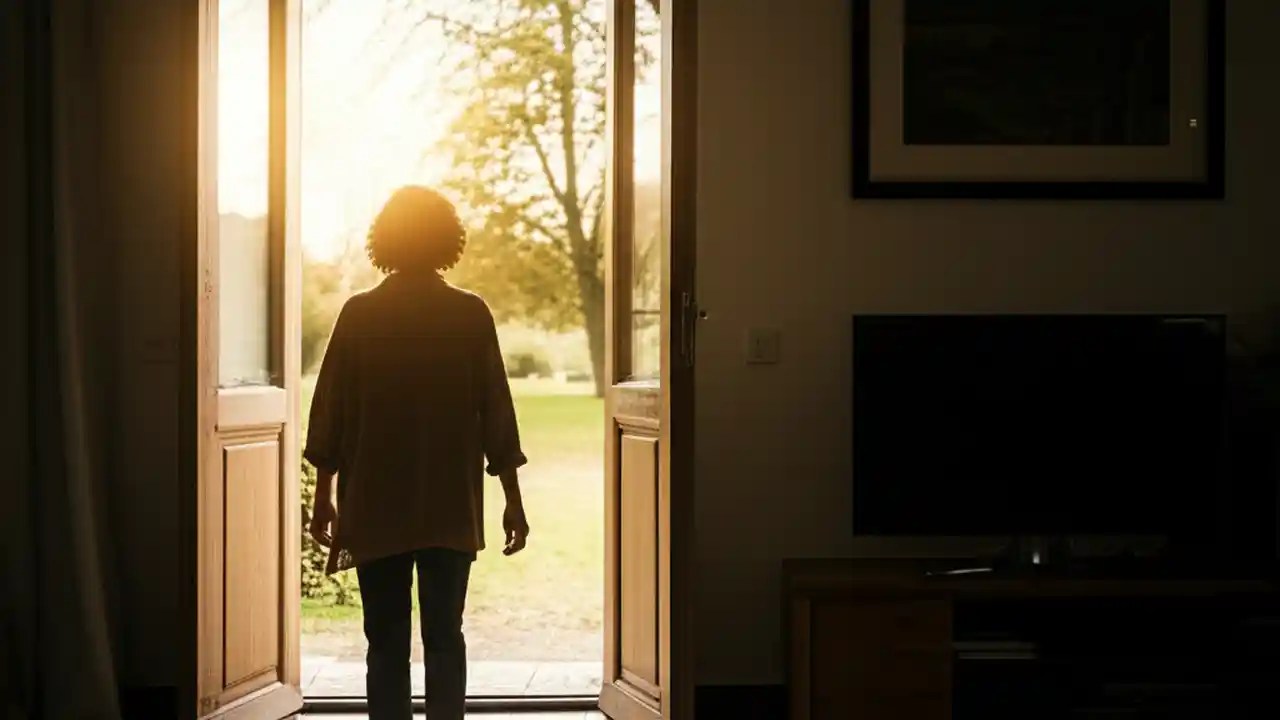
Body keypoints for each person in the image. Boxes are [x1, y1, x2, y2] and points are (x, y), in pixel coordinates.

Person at [304, 185, 531, 720]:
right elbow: (497, 413)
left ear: (384, 239)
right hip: (448, 502)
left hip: (376, 501)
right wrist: (512, 500)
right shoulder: (470, 314)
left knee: (384, 643)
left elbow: (330, 414)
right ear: (447, 240)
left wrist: (324, 498)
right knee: (445, 638)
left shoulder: (359, 314)